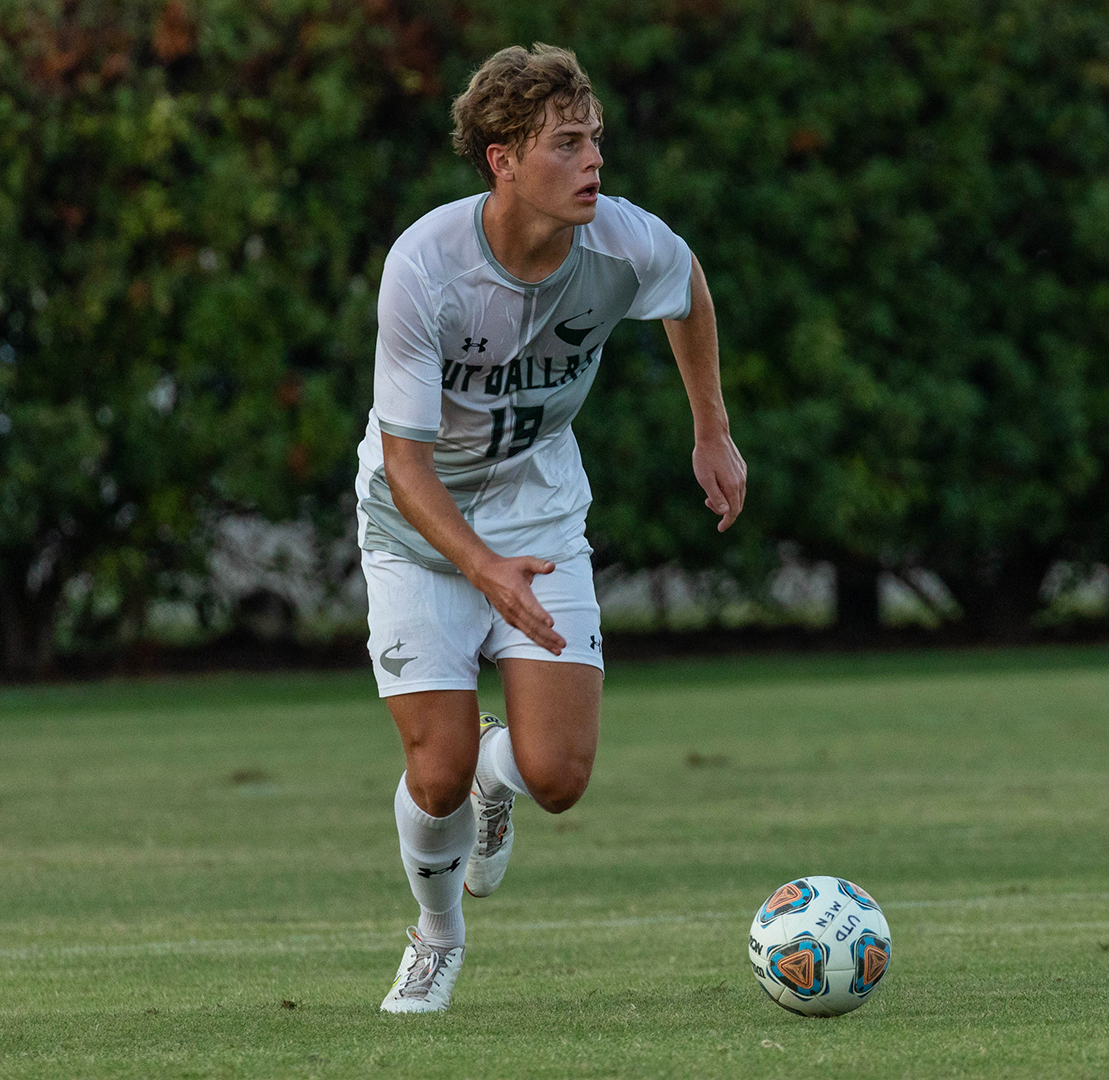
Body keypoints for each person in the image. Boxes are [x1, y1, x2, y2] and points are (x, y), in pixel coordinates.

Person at [355, 43, 747, 1013]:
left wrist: (712, 431)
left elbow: (687, 285)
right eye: (567, 143)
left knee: (558, 778)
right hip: (418, 531)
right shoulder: (425, 267)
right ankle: (436, 935)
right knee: (435, 774)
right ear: (502, 160)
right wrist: (482, 567)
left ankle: (500, 780)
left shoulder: (622, 242)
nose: (594, 160)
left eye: (594, 139)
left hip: (539, 512)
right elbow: (406, 466)